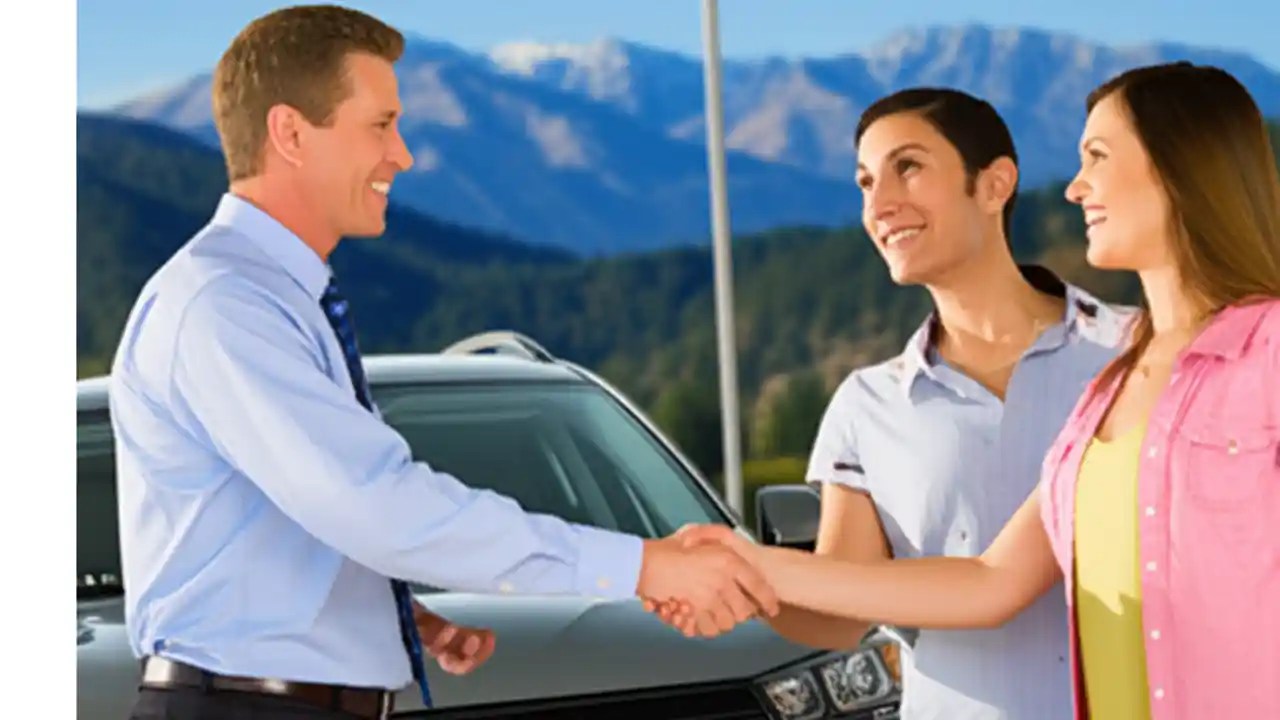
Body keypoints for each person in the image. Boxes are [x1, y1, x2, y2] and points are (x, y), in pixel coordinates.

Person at [108, 6, 776, 719]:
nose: (403, 154)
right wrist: (646, 566)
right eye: (380, 124)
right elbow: (374, 503)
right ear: (291, 133)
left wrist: (400, 618)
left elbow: (288, 515)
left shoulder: (270, 297)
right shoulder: (225, 305)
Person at [660, 62, 1280, 720]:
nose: (1073, 189)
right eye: (866, 182)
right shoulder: (1103, 400)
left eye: (908, 168)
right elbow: (989, 583)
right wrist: (736, 566)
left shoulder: (1211, 354)